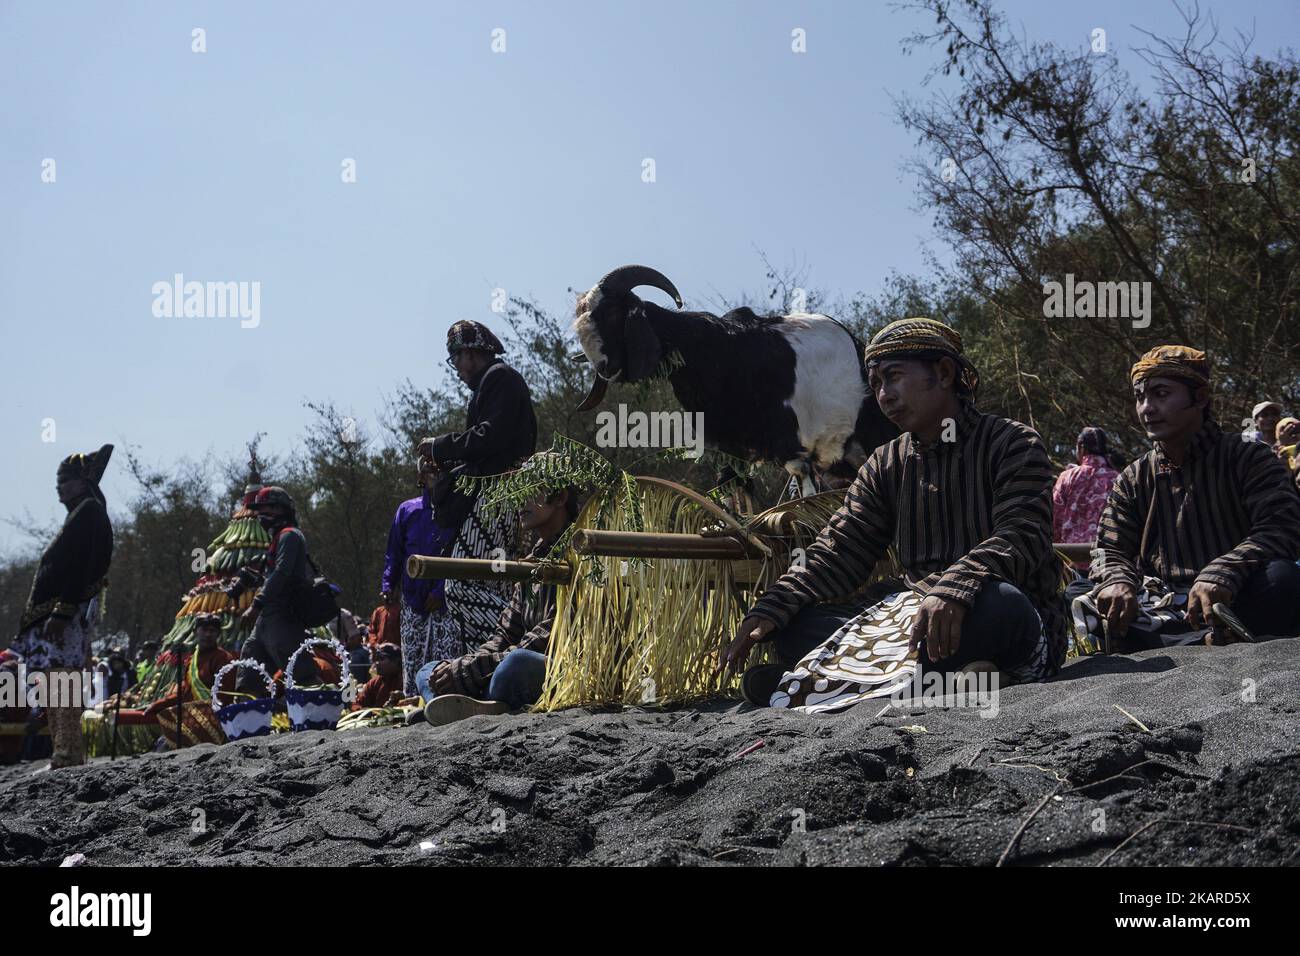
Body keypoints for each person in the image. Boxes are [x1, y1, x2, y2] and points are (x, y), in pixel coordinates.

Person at [720, 318, 1066, 712]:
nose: (884, 395)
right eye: (877, 384)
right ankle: (948, 678)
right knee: (796, 627)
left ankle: (828, 682)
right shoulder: (885, 462)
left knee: (1004, 606)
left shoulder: (1013, 443)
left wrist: (957, 587)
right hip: (912, 613)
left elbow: (1022, 535)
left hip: (985, 605)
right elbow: (839, 550)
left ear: (944, 373)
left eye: (894, 377)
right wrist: (775, 603)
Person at [1079, 346, 1300, 650]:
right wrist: (1117, 579)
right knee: (1081, 593)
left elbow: (1281, 527)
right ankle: (1208, 636)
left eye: (1160, 394)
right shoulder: (1133, 476)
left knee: (1283, 579)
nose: (1147, 408)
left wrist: (1224, 570)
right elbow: (1108, 548)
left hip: (1234, 592)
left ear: (1201, 398)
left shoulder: (1248, 457)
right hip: (1163, 602)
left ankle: (1209, 631)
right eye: (1140, 397)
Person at [416, 320, 537, 651]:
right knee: (489, 582)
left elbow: (489, 437)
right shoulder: (493, 383)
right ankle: (483, 674)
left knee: (461, 582)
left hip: (496, 496)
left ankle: (518, 646)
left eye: (455, 358)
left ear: (469, 354)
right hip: (497, 496)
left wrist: (440, 446)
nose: (455, 368)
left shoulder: (499, 378)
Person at [419, 479, 578, 727]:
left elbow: (550, 637)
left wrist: (473, 670)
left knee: (515, 666)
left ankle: (463, 707)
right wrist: (465, 667)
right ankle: (469, 706)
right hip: (507, 664)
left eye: (532, 492)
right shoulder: (531, 561)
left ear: (560, 498)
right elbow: (503, 634)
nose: (520, 502)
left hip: (561, 670)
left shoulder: (583, 555)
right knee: (430, 670)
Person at [11, 444, 114, 768]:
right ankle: (63, 751)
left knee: (62, 680)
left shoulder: (89, 512)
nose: (59, 487)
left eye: (65, 481)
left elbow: (79, 567)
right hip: (55, 614)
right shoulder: (81, 513)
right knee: (52, 680)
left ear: (83, 482)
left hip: (63, 615)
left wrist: (62, 610)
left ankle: (67, 753)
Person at [234, 486, 320, 694]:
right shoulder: (277, 539)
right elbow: (272, 575)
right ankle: (250, 716)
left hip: (283, 615)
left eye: (267, 509)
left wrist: (256, 605)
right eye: (259, 510)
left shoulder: (290, 536)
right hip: (266, 618)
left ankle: (319, 709)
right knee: (250, 667)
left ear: (281, 509)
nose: (261, 515)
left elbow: (281, 573)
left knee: (300, 671)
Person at [380, 460, 455, 696]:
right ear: (420, 476)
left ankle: (445, 701)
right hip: (412, 599)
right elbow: (394, 553)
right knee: (412, 656)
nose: (432, 476)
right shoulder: (407, 510)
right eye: (427, 471)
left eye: (437, 471)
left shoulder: (454, 510)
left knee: (445, 657)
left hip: (445, 601)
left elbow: (457, 552)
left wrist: (442, 590)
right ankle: (413, 701)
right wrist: (388, 584)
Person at [142, 613, 236, 745]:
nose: (208, 634)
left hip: (214, 722)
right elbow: (184, 691)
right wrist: (158, 704)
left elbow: (224, 698)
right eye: (204, 630)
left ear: (218, 634)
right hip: (192, 718)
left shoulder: (224, 659)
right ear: (195, 632)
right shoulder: (191, 660)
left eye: (212, 631)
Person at [1052, 427, 1120, 554]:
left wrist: (1056, 548)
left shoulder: (1068, 477)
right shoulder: (1117, 478)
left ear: (1081, 447)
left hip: (1072, 555)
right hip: (1108, 557)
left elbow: (1056, 516)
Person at [351, 643, 404, 710]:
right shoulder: (374, 682)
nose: (377, 663)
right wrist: (366, 712)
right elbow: (358, 703)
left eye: (381, 659)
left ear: (396, 661)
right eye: (376, 659)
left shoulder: (405, 682)